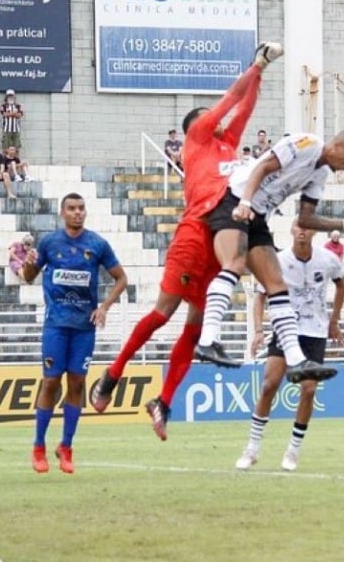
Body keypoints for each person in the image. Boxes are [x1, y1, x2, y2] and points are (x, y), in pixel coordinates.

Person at [89, 42, 282, 441]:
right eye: (212, 119)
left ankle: (163, 401)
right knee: (163, 312)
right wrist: (255, 64)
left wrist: (259, 77)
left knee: (195, 327)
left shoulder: (227, 145)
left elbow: (242, 109)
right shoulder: (198, 136)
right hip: (196, 228)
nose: (221, 123)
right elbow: (230, 100)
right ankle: (113, 373)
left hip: (224, 230)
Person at [193, 128, 344, 378]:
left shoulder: (321, 173)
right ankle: (206, 341)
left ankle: (296, 360)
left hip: (258, 215)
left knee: (277, 285)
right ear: (335, 146)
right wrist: (245, 203)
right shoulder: (307, 144)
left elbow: (305, 218)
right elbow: (262, 167)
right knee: (234, 264)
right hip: (234, 198)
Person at [21, 192, 128, 474]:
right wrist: (31, 262)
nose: (77, 213)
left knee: (77, 385)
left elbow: (121, 278)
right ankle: (38, 446)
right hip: (56, 325)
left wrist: (104, 306)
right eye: (71, 208)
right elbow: (28, 276)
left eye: (81, 208)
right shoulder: (50, 242)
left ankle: (66, 446)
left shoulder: (97, 244)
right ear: (62, 212)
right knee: (50, 383)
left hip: (84, 328)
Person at [236, 221, 344, 472]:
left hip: (314, 333)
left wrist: (334, 320)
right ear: (292, 230)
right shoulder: (278, 260)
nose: (302, 231)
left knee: (308, 390)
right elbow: (261, 296)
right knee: (268, 385)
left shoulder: (328, 259)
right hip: (285, 329)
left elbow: (341, 284)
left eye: (307, 227)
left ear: (314, 231)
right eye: (298, 227)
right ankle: (252, 449)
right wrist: (258, 330)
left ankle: (293, 450)